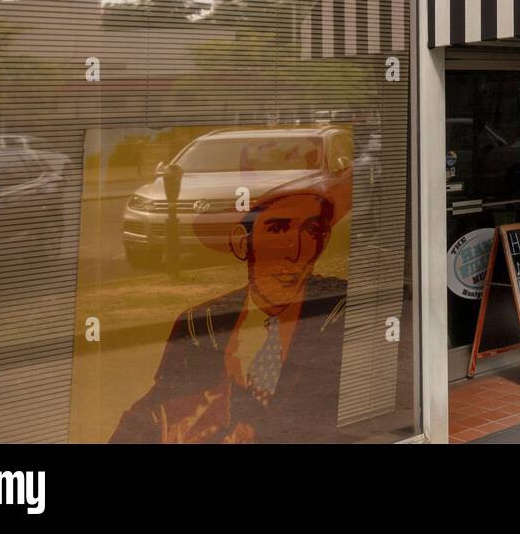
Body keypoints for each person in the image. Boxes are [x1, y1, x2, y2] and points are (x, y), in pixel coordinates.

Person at [111, 176, 351, 444]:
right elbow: (159, 407)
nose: (295, 250)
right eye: (277, 229)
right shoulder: (201, 322)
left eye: (312, 231)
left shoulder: (341, 312)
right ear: (242, 243)